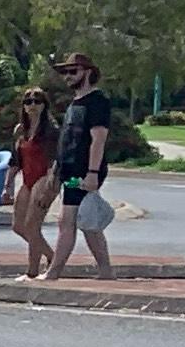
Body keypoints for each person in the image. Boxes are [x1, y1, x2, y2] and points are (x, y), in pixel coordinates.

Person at [48, 53, 120, 277]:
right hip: (69, 170)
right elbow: (68, 140)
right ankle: (106, 271)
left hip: (84, 171)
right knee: (88, 222)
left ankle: (53, 272)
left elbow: (98, 139)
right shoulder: (74, 103)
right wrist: (55, 169)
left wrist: (92, 173)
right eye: (65, 72)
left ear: (87, 72)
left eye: (73, 71)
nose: (68, 77)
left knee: (66, 220)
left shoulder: (97, 102)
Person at [7, 83, 58, 275]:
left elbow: (55, 159)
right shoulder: (21, 130)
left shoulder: (50, 131)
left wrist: (50, 185)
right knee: (19, 226)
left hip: (46, 176)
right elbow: (15, 161)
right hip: (27, 178)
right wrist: (7, 185)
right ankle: (52, 255)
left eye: (37, 101)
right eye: (28, 102)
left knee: (32, 225)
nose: (32, 105)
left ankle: (32, 270)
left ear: (44, 105)